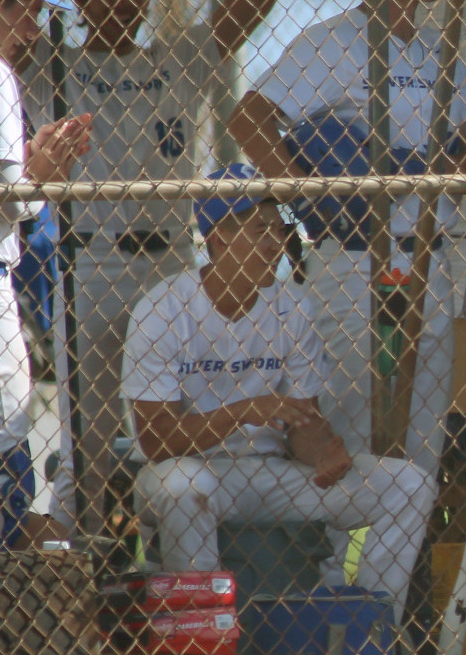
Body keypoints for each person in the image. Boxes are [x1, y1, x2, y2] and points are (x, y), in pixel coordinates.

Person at [17, 0, 282, 530]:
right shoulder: (54, 64)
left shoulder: (180, 56)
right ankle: (76, 573)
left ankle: (172, 575)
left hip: (169, 260)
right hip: (93, 260)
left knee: (178, 436)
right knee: (90, 443)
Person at [227, 0, 466, 474]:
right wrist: (304, 192)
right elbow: (250, 116)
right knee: (347, 428)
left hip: (429, 259)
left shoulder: (440, 56)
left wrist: (426, 162)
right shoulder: (336, 40)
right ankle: (329, 569)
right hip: (355, 256)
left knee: (422, 441)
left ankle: (387, 569)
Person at [124, 166, 435, 622]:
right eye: (259, 230)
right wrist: (245, 411)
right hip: (189, 471)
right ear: (219, 239)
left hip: (272, 473)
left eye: (280, 229)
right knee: (181, 487)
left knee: (409, 485)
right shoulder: (164, 308)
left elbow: (301, 422)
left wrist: (324, 450)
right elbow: (156, 442)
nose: (276, 243)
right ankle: (203, 642)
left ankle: (352, 625)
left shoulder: (292, 305)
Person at [0, 0, 91, 550]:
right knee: (0, 439)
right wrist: (42, 174)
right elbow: (4, 200)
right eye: (28, 6)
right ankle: (3, 592)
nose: (35, 24)